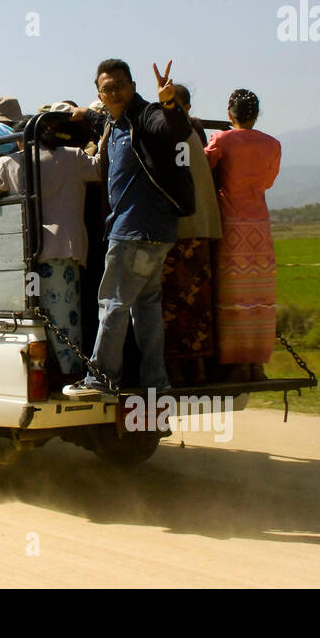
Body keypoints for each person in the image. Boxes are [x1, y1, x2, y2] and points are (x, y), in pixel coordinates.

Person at [63, 59, 195, 398]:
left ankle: (101, 378)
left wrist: (169, 102)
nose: (114, 93)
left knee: (112, 303)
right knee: (145, 307)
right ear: (100, 95)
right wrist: (82, 113)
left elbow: (176, 130)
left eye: (120, 85)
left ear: (133, 87)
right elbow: (103, 119)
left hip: (135, 230)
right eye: (106, 89)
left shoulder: (148, 115)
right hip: (153, 232)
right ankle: (156, 382)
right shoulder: (114, 122)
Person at [0, 116, 106, 378]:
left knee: (36, 318)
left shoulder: (10, 162)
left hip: (28, 252)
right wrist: (104, 133)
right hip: (64, 249)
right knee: (66, 317)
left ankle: (51, 373)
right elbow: (101, 167)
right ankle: (71, 372)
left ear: (19, 140)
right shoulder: (72, 156)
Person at [204, 89, 282, 382]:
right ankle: (256, 363)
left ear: (229, 114)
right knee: (259, 295)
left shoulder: (221, 140)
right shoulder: (272, 144)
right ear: (257, 115)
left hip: (231, 223)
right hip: (259, 224)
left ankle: (235, 363)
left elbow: (203, 168)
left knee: (232, 293)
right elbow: (268, 181)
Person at [160, 85, 222, 385]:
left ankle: (177, 368)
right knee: (198, 303)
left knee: (173, 303)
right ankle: (197, 367)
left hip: (178, 230)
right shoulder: (195, 133)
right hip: (201, 229)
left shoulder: (175, 135)